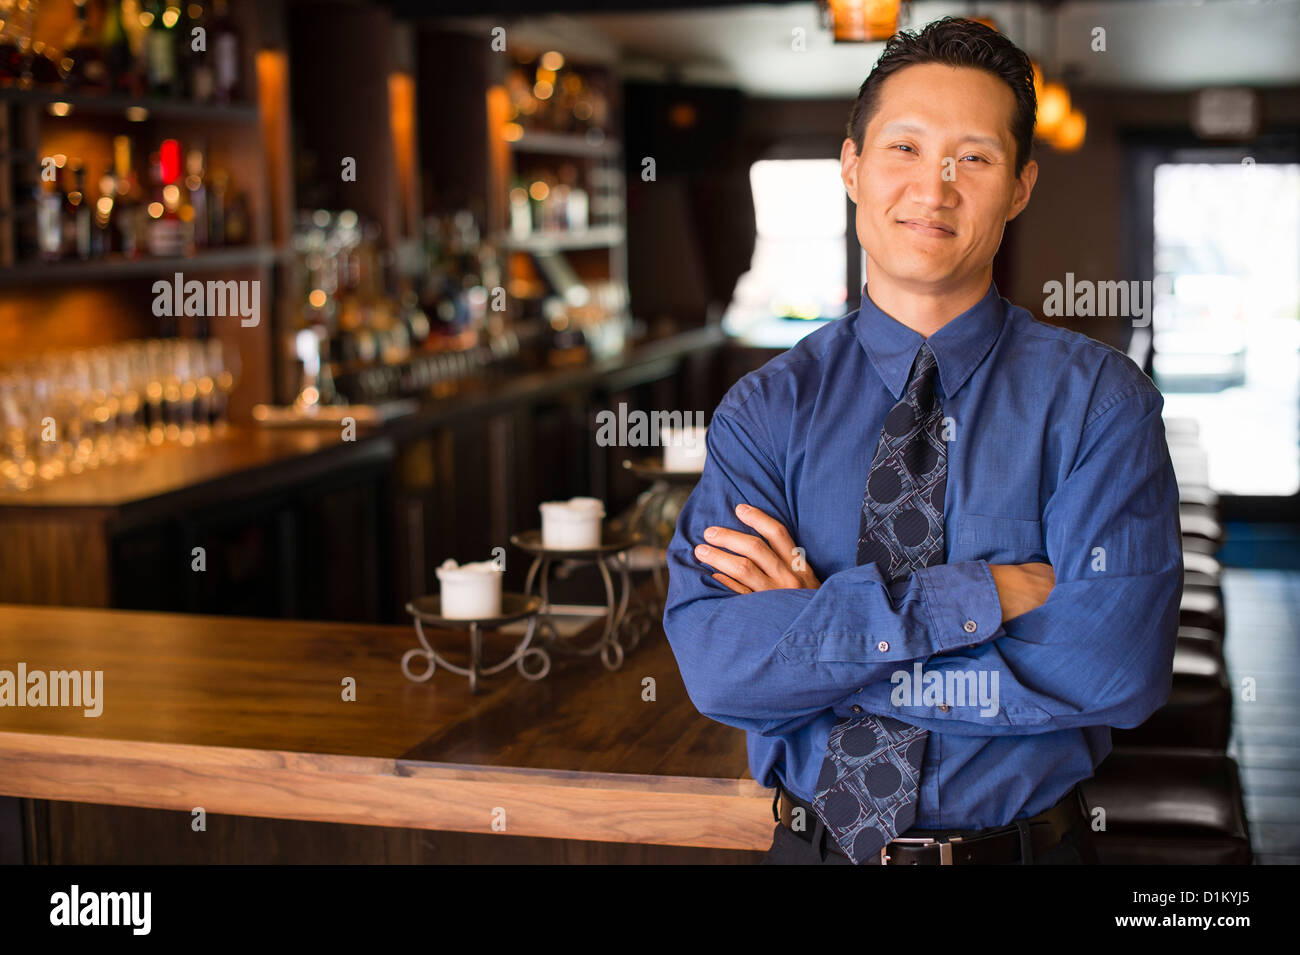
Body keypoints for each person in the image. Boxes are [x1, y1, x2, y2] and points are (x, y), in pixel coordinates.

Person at [662, 17, 1183, 865]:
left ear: (1019, 186)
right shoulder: (765, 410)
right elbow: (720, 668)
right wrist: (974, 598)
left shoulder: (1100, 404)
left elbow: (1112, 668)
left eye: (973, 157)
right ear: (852, 168)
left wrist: (820, 637)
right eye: (904, 148)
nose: (934, 188)